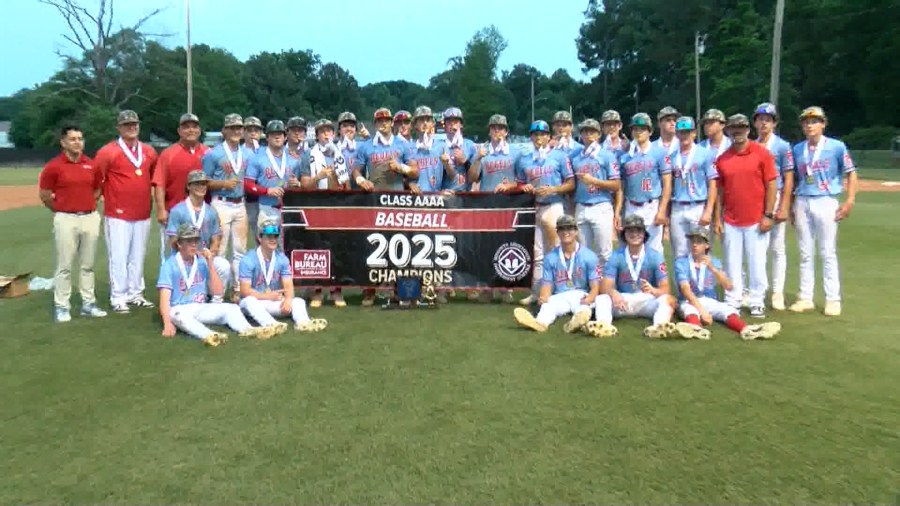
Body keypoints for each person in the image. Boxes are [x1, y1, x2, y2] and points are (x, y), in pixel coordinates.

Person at [788, 106, 857, 317]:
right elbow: (794, 179)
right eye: (806, 122)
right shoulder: (797, 149)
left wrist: (849, 200)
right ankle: (805, 297)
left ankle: (832, 299)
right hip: (802, 199)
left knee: (827, 252)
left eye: (814, 121)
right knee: (805, 252)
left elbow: (851, 173)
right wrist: (791, 206)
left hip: (826, 200)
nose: (810, 126)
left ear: (823, 124)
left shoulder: (836, 146)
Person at [158, 224, 273, 347]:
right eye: (189, 241)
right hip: (179, 308)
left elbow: (218, 292)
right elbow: (164, 299)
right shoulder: (169, 265)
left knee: (231, 308)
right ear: (179, 244)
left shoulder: (201, 262)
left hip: (200, 306)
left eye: (196, 240)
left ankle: (248, 329)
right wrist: (167, 324)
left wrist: (210, 263)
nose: (194, 244)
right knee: (177, 315)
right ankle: (210, 335)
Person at [39, 124, 107, 322]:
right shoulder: (54, 166)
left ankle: (88, 303)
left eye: (80, 139)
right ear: (63, 142)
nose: (77, 142)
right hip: (65, 218)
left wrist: (88, 205)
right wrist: (61, 209)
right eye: (73, 139)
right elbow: (45, 195)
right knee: (64, 265)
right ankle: (62, 306)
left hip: (89, 217)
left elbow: (97, 189)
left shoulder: (91, 164)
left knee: (88, 265)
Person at [352, 108, 418, 306]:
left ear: (391, 123)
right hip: (373, 202)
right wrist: (361, 180)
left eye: (386, 120)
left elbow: (415, 172)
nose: (383, 123)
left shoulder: (403, 144)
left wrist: (401, 168)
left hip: (397, 203)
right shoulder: (366, 146)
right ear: (375, 124)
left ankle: (399, 290)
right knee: (372, 245)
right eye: (379, 121)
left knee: (399, 246)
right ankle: (369, 290)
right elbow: (355, 170)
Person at [94, 109, 158, 313]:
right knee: (119, 256)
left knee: (138, 256)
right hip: (117, 213)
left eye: (134, 124)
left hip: (143, 212)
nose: (131, 127)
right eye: (126, 125)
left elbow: (153, 177)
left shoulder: (148, 151)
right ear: (119, 128)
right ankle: (118, 296)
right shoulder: (107, 152)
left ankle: (135, 293)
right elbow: (97, 180)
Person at [714, 114, 777, 318]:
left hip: (756, 219)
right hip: (731, 219)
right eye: (734, 129)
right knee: (732, 263)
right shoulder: (723, 159)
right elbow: (720, 192)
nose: (737, 132)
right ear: (728, 131)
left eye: (741, 128)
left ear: (748, 130)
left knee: (757, 262)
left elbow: (771, 185)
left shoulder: (762, 153)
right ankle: (733, 299)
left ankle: (757, 300)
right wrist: (718, 218)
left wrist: (769, 214)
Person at [674, 226, 782, 340]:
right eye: (692, 241)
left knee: (728, 310)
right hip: (688, 301)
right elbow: (685, 290)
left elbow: (728, 286)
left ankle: (746, 330)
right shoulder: (681, 262)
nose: (694, 245)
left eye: (699, 242)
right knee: (690, 311)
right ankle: (696, 329)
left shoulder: (714, 262)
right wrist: (702, 311)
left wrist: (713, 269)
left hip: (709, 300)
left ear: (707, 245)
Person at [590, 215, 679, 338]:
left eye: (638, 231)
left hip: (646, 300)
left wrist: (654, 290)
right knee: (602, 299)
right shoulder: (616, 256)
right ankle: (603, 326)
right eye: (630, 231)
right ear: (624, 235)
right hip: (623, 300)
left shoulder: (655, 256)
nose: (634, 234)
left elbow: (665, 289)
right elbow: (605, 286)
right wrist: (613, 293)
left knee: (667, 300)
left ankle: (659, 327)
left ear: (644, 234)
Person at [516, 120, 575, 306]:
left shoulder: (559, 155)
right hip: (534, 206)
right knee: (537, 253)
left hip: (554, 205)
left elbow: (571, 184)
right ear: (531, 137)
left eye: (542, 134)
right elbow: (520, 183)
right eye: (535, 134)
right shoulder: (525, 158)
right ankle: (537, 292)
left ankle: (560, 291)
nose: (539, 137)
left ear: (549, 136)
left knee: (557, 249)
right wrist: (524, 187)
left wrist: (553, 189)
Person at [513, 215, 601, 334]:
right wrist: (544, 297)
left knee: (583, 309)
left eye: (569, 228)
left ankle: (575, 322)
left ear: (576, 231)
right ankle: (540, 323)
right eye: (562, 229)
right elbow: (547, 284)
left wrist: (590, 298)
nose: (566, 232)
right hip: (560, 295)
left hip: (581, 294)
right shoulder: (550, 258)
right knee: (548, 306)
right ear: (557, 232)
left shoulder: (589, 256)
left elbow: (595, 286)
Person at [238, 220, 329, 332]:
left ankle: (304, 323)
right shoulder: (248, 260)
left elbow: (288, 285)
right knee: (249, 301)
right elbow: (245, 291)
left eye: (275, 236)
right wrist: (267, 296)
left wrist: (288, 299)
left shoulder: (282, 259)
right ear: (260, 238)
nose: (273, 240)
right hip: (255, 302)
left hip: (274, 301)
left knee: (298, 301)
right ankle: (272, 324)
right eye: (269, 237)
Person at [300, 118, 350, 308]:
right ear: (317, 135)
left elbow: (346, 186)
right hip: (316, 206)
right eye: (322, 132)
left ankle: (336, 291)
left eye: (329, 131)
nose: (326, 134)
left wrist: (335, 176)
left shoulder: (339, 154)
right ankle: (318, 291)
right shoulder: (308, 155)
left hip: (336, 207)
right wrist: (318, 177)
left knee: (337, 249)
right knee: (317, 249)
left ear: (334, 134)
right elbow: (304, 184)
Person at [202, 113, 253, 298]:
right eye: (232, 128)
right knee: (220, 249)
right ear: (224, 130)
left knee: (240, 250)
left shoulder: (247, 153)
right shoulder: (213, 153)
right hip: (221, 203)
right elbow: (203, 181)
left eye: (238, 128)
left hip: (240, 203)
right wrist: (223, 183)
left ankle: (238, 289)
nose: (235, 131)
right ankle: (218, 290)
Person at [753, 102, 794, 310]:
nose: (764, 123)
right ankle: (757, 289)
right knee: (756, 247)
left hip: (775, 196)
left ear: (774, 123)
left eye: (768, 120)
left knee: (777, 247)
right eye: (760, 119)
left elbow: (788, 177)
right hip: (755, 198)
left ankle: (777, 292)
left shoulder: (782, 146)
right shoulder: (752, 145)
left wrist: (784, 205)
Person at [164, 170, 231, 299]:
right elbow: (173, 241)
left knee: (223, 265)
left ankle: (216, 300)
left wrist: (211, 253)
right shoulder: (178, 211)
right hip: (183, 258)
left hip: (204, 256)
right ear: (188, 186)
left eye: (204, 184)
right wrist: (191, 253)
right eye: (197, 184)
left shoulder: (211, 211)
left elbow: (216, 239)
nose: (201, 187)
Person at [152, 113, 208, 262]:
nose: (191, 130)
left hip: (200, 212)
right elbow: (159, 183)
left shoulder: (207, 152)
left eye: (194, 127)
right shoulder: (168, 154)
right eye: (186, 127)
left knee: (200, 251)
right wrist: (160, 209)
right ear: (179, 131)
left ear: (199, 130)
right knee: (172, 253)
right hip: (174, 212)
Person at [615, 113, 672, 254]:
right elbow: (620, 187)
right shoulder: (625, 156)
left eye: (643, 129)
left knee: (654, 249)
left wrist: (662, 211)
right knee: (631, 249)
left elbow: (667, 184)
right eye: (635, 129)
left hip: (651, 205)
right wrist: (618, 211)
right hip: (631, 205)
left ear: (650, 131)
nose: (638, 132)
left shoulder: (659, 153)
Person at [570, 118, 620, 268]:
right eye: (585, 131)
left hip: (601, 205)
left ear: (599, 134)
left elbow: (616, 185)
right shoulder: (575, 156)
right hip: (581, 206)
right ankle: (586, 282)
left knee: (604, 253)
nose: (588, 135)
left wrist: (594, 181)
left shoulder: (607, 155)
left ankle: (606, 282)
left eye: (592, 131)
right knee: (581, 253)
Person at [244, 120, 302, 246]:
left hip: (288, 209)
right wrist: (267, 191)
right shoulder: (257, 158)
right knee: (268, 245)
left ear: (285, 137)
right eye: (273, 134)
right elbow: (248, 185)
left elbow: (302, 184)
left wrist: (297, 184)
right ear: (267, 137)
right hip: (267, 209)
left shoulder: (294, 159)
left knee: (288, 246)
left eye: (280, 134)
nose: (277, 137)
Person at [668, 116, 718, 257]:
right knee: (679, 252)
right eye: (681, 132)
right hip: (678, 207)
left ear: (694, 133)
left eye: (687, 132)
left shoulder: (705, 154)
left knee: (701, 251)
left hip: (698, 206)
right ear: (676, 134)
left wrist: (709, 210)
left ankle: (702, 273)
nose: (684, 135)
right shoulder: (672, 157)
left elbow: (713, 183)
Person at [409, 105, 453, 194]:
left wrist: (447, 164)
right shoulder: (409, 148)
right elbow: (402, 177)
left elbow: (452, 176)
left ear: (433, 124)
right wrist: (410, 184)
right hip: (415, 197)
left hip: (436, 197)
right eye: (421, 120)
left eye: (428, 120)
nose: (425, 123)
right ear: (415, 125)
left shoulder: (442, 146)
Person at [440, 107, 476, 193]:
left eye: (456, 122)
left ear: (461, 125)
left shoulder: (470, 145)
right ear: (444, 126)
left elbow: (476, 177)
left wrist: (465, 161)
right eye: (449, 122)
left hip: (465, 193)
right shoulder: (439, 146)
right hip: (446, 193)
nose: (452, 125)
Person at [242, 116, 264, 240]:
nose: (253, 133)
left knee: (263, 232)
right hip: (245, 197)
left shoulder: (265, 151)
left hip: (264, 197)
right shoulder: (239, 151)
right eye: (249, 130)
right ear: (244, 132)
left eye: (256, 130)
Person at [336, 111, 369, 189]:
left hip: (359, 192)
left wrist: (368, 138)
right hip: (339, 192)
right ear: (339, 130)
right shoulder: (334, 149)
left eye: (352, 126)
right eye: (345, 126)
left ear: (356, 130)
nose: (349, 129)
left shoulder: (362, 146)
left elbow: (376, 151)